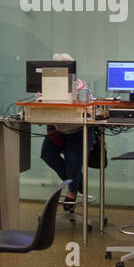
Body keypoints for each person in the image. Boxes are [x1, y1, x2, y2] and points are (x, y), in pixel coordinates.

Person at [39, 53, 90, 212]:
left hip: (77, 131)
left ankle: (72, 192)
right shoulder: (47, 86)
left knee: (72, 160)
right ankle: (76, 180)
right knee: (47, 154)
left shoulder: (81, 86)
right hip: (58, 130)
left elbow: (89, 108)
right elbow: (40, 102)